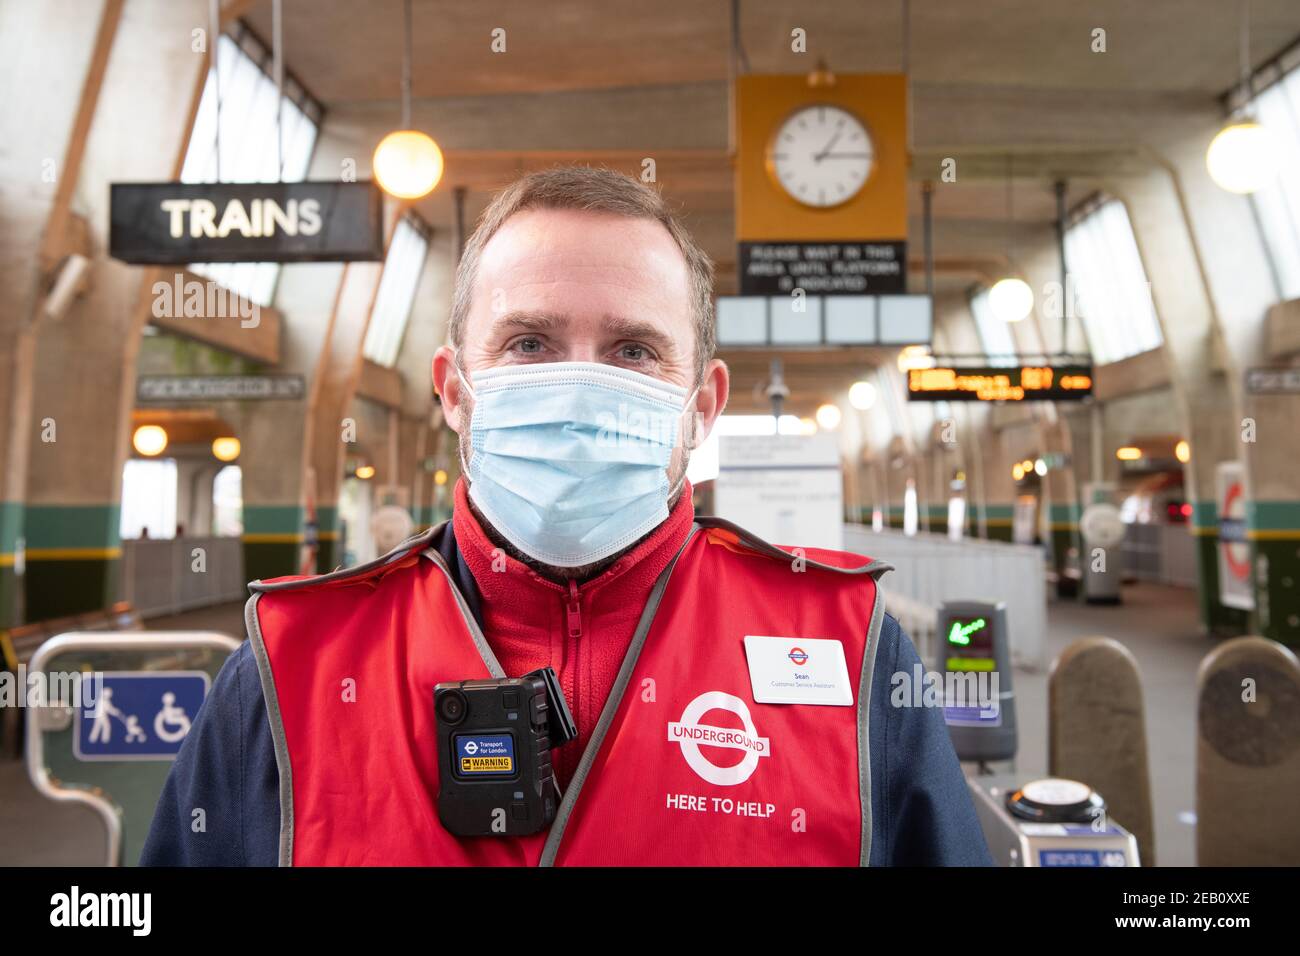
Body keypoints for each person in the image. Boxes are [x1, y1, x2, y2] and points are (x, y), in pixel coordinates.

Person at [142, 166, 990, 866]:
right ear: (452, 389)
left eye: (633, 350)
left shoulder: (852, 646)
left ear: (702, 406)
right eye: (529, 345)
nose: (579, 391)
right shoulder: (292, 668)